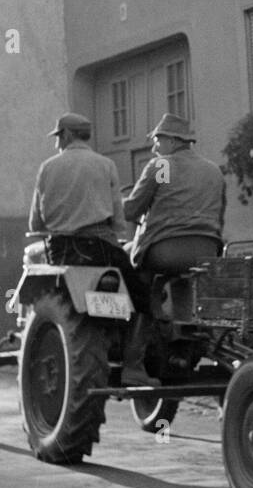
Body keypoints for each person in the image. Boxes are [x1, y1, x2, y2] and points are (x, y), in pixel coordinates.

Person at [28, 111, 157, 391]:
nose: (56, 143)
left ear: (66, 135)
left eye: (58, 137)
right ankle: (133, 366)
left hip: (63, 252)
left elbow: (35, 222)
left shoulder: (48, 168)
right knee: (142, 299)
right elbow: (118, 218)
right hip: (102, 249)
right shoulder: (106, 165)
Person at [122, 114, 226, 357]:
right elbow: (217, 216)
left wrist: (117, 205)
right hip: (206, 250)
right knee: (186, 280)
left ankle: (133, 361)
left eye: (158, 139)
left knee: (137, 283)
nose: (155, 146)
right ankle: (187, 338)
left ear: (172, 140)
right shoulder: (212, 171)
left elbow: (133, 210)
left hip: (165, 250)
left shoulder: (164, 167)